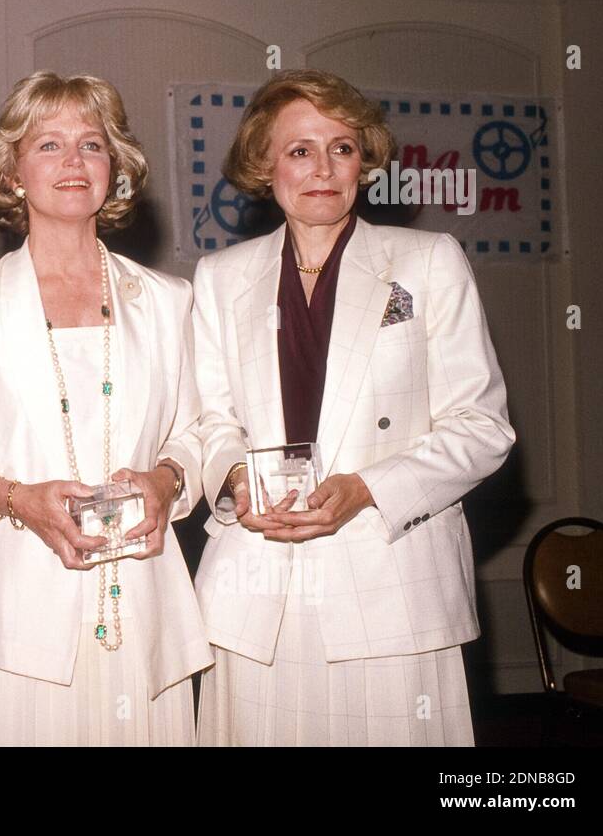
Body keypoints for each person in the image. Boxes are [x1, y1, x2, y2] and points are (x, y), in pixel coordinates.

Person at [192, 69, 515, 746]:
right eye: (300, 149)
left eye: (341, 147)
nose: (322, 168)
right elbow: (212, 420)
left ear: (364, 160)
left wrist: (366, 488)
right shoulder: (220, 278)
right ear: (263, 163)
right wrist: (232, 477)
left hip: (390, 585)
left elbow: (483, 428)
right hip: (256, 591)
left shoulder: (428, 261)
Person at [0, 71, 212, 746]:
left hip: (145, 602)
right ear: (12, 171)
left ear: (116, 168)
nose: (74, 162)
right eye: (49, 144)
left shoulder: (169, 300)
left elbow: (195, 431)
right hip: (21, 616)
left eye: (92, 145)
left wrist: (167, 481)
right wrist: (18, 499)